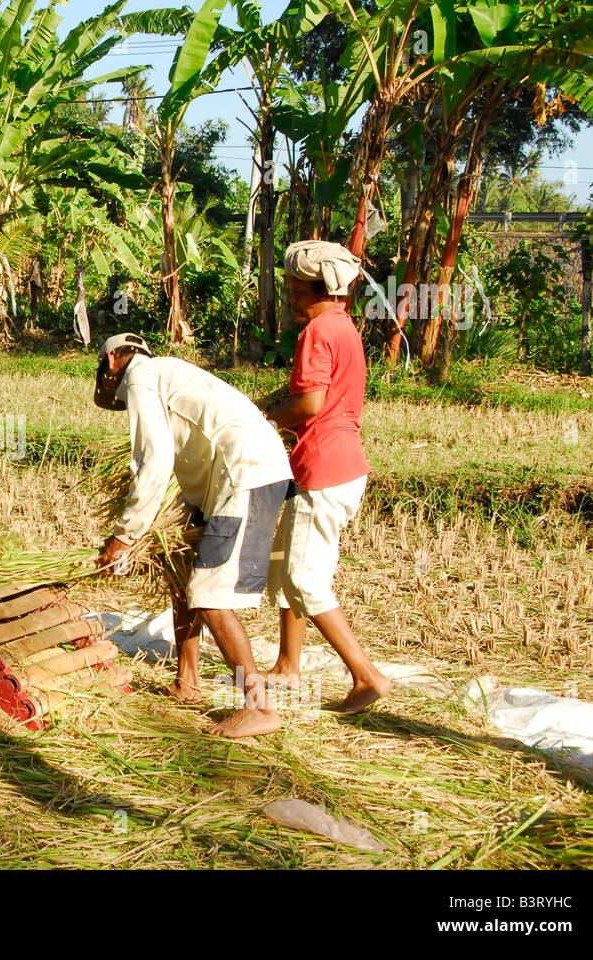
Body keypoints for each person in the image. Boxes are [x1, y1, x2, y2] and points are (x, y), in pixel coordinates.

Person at [94, 333, 294, 738]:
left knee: (210, 594)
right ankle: (188, 681)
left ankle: (259, 707)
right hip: (249, 467)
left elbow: (155, 462)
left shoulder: (139, 376)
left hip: (243, 471)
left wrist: (124, 536)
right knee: (185, 570)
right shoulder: (167, 371)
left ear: (113, 358)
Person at [263, 240, 390, 713]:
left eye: (296, 291)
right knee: (285, 568)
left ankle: (367, 677)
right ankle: (287, 666)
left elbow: (311, 405)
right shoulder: (343, 327)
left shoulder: (317, 332)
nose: (292, 299)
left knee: (304, 579)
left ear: (323, 289)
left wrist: (268, 417)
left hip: (323, 467)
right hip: (332, 465)